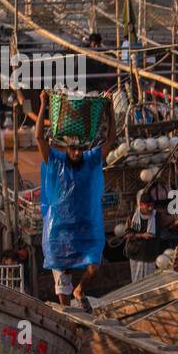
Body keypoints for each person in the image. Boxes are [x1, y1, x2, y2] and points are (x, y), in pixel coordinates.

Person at [36, 92, 113, 310]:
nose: (77, 152)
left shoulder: (91, 161)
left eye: (80, 148)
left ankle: (80, 290)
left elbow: (111, 139)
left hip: (84, 228)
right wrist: (43, 105)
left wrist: (109, 110)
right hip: (58, 231)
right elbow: (40, 137)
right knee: (62, 282)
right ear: (66, 148)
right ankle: (68, 314)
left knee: (94, 265)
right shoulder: (55, 160)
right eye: (73, 148)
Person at [124, 188, 176, 282]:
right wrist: (142, 236)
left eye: (152, 206)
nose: (150, 208)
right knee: (136, 281)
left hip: (150, 254)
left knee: (149, 280)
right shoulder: (132, 217)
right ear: (140, 205)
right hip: (136, 254)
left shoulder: (158, 216)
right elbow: (127, 234)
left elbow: (171, 221)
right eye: (147, 206)